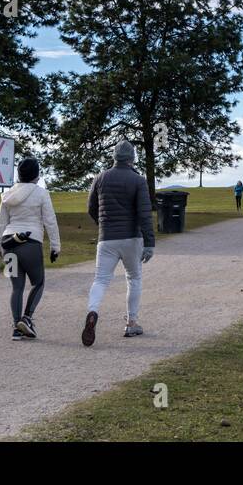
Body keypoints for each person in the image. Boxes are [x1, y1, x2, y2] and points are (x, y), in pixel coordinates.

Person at [82, 140, 155, 346]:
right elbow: (144, 214)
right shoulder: (138, 180)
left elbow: (91, 208)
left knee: (100, 280)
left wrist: (103, 224)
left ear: (114, 157)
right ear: (132, 158)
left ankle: (93, 311)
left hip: (107, 238)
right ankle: (131, 322)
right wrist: (149, 243)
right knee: (134, 278)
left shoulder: (100, 178)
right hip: (132, 238)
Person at [0, 156, 61, 341]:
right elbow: (50, 222)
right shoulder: (41, 193)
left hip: (8, 243)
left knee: (16, 287)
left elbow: (1, 223)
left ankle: (17, 327)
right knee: (38, 283)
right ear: (36, 174)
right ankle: (27, 318)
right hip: (30, 243)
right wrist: (55, 246)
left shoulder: (7, 195)